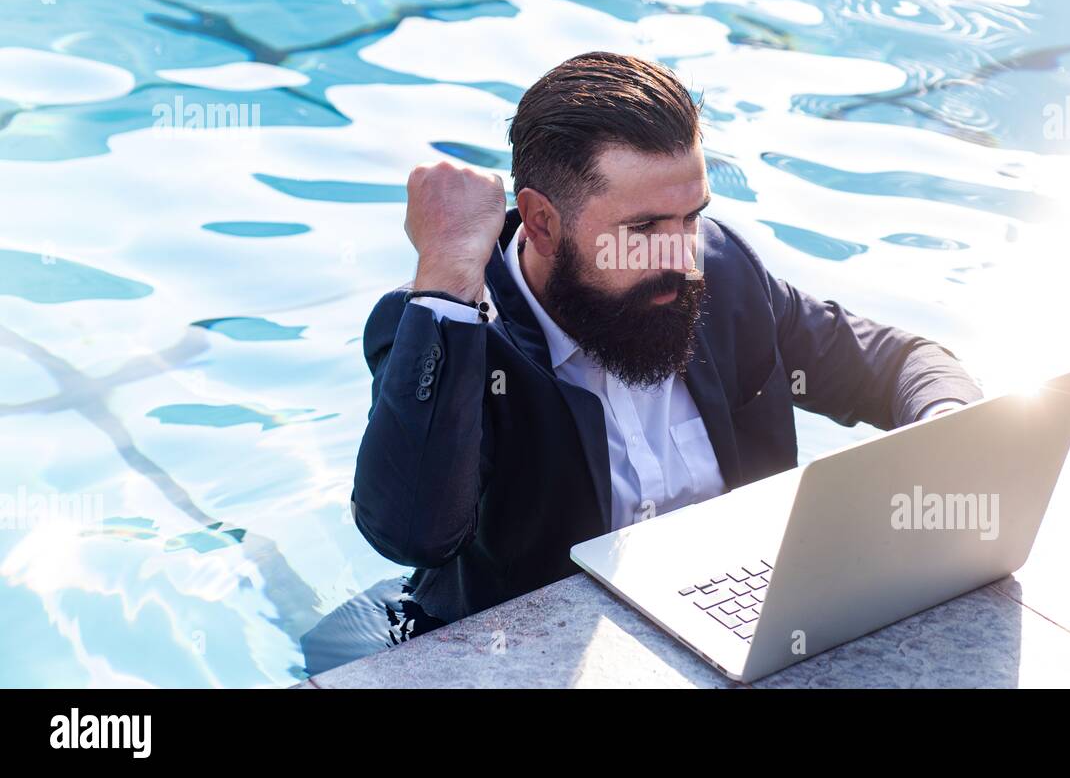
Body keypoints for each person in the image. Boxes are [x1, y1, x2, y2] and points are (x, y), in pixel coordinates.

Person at [349, 50, 983, 638]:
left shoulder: (722, 273)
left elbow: (897, 363)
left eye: (692, 216)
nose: (682, 257)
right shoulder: (453, 331)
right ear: (542, 223)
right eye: (643, 227)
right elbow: (412, 533)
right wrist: (445, 285)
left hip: (742, 622)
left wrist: (951, 431)